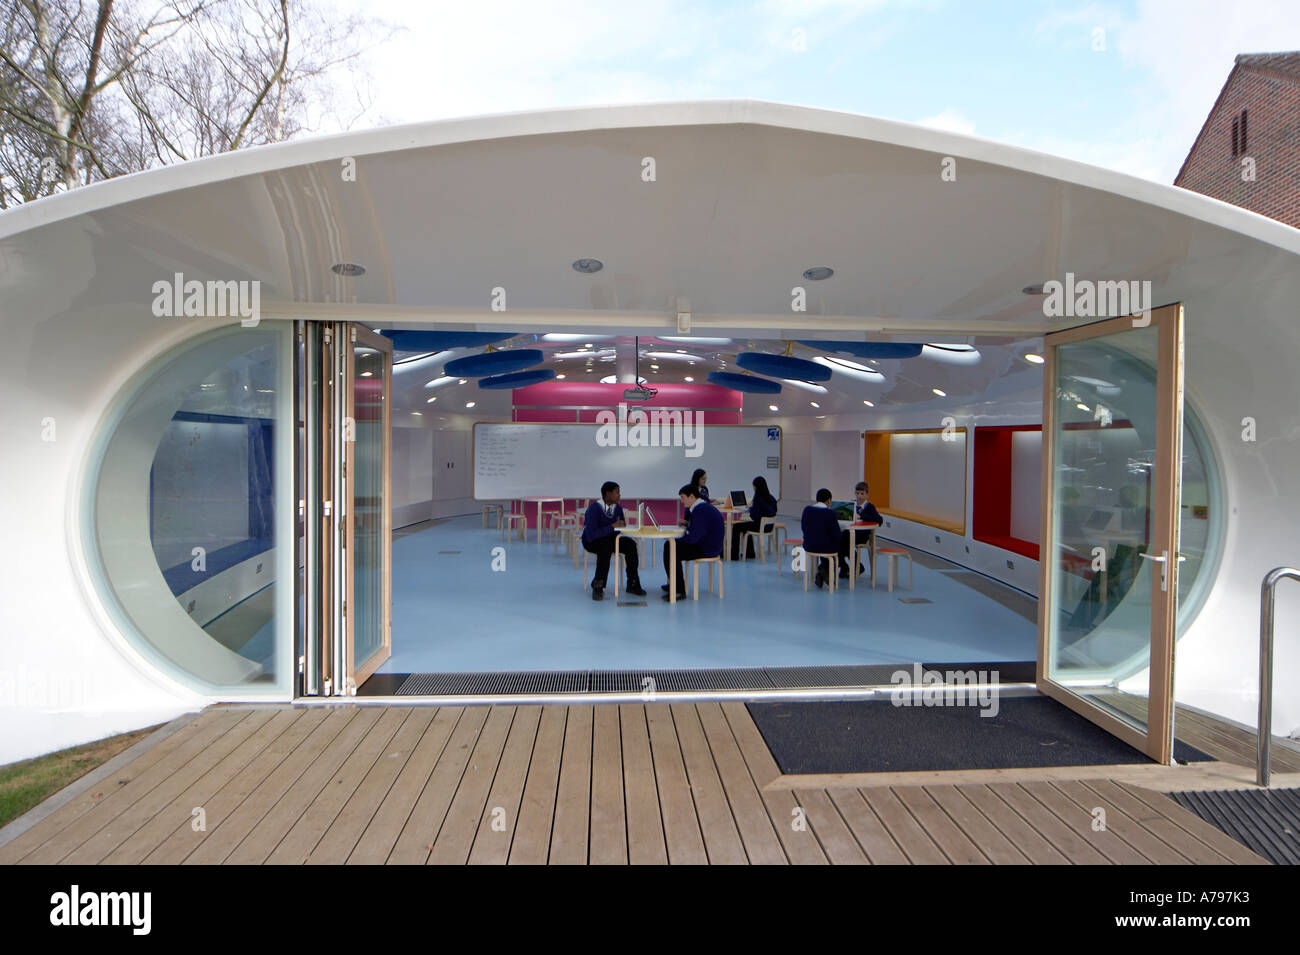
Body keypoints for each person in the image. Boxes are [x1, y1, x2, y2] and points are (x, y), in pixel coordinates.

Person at [581, 481, 645, 600]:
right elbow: (591, 535)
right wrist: (612, 526)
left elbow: (618, 528)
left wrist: (621, 525)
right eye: (617, 493)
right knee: (605, 548)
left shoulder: (617, 508)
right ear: (608, 494)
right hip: (593, 541)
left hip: (610, 538)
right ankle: (598, 586)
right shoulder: (594, 509)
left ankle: (633, 583)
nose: (619, 495)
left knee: (630, 545)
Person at [662, 484, 724, 600]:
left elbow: (693, 538)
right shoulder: (702, 507)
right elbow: (701, 528)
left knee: (670, 547)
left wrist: (674, 540)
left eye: (683, 497)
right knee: (672, 546)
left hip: (707, 549)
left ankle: (678, 590)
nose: (682, 501)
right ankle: (675, 584)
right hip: (711, 545)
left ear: (691, 497)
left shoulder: (700, 510)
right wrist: (687, 524)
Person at [838, 481, 883, 578]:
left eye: (862, 494)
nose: (859, 496)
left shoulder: (869, 507)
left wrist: (862, 515)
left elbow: (879, 520)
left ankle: (845, 566)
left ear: (867, 495)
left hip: (861, 535)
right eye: (857, 493)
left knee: (843, 539)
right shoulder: (852, 504)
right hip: (849, 532)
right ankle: (849, 566)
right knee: (839, 539)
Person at [800, 488, 842, 588]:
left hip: (809, 546)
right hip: (826, 548)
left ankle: (823, 571)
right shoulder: (830, 513)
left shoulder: (807, 510)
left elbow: (803, 528)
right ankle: (824, 570)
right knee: (840, 546)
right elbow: (837, 535)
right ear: (829, 500)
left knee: (825, 542)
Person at [729, 475, 778, 560]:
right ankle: (750, 553)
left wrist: (751, 508)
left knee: (737, 527)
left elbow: (753, 516)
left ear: (756, 487)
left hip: (760, 527)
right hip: (769, 527)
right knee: (746, 526)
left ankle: (734, 555)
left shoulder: (758, 499)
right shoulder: (771, 498)